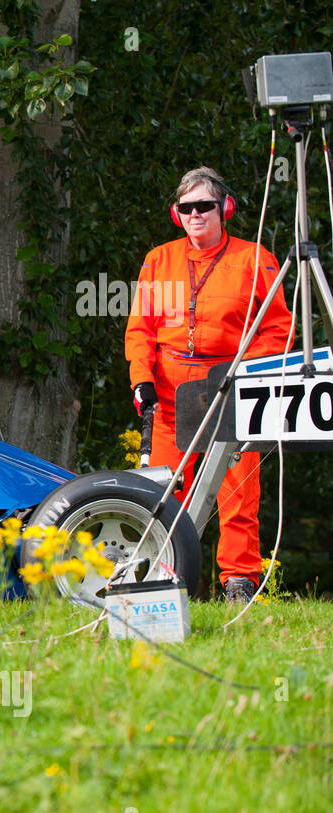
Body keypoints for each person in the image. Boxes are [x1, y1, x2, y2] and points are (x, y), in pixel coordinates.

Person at [125, 167, 293, 602]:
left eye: (205, 205)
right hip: (169, 392)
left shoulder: (256, 258)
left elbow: (278, 329)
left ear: (225, 209)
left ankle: (239, 581)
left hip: (234, 387)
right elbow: (140, 329)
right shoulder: (158, 259)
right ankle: (160, 577)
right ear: (176, 213)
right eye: (187, 207)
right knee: (162, 490)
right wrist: (141, 379)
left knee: (238, 492)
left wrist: (244, 369)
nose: (196, 213)